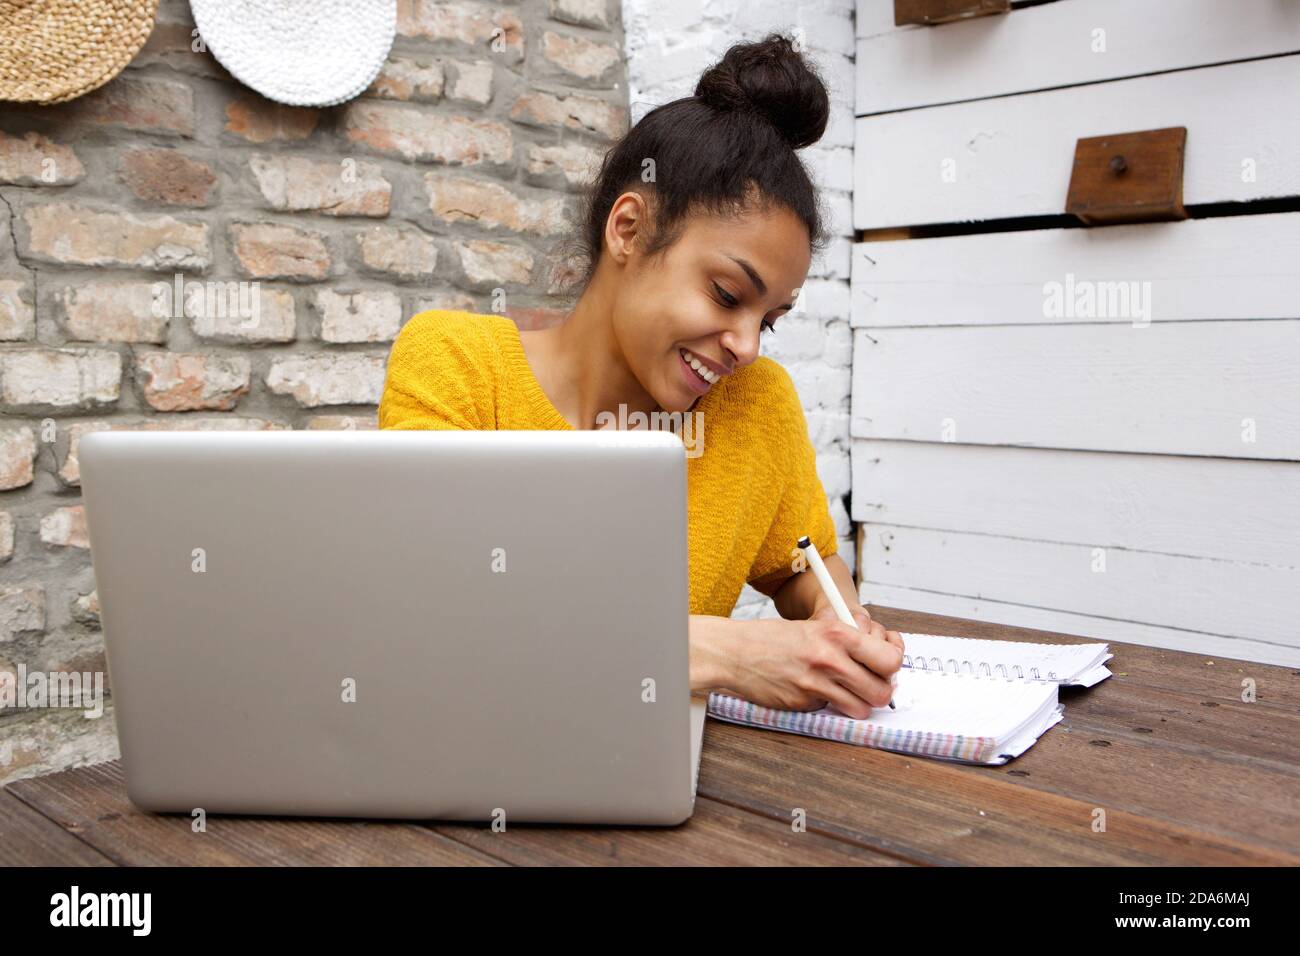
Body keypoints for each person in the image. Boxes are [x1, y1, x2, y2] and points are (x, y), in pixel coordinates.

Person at [379, 32, 904, 719]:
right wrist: (726, 654)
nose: (746, 346)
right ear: (628, 228)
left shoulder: (753, 405)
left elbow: (803, 564)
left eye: (769, 319)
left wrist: (844, 627)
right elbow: (440, 619)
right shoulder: (459, 367)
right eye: (725, 294)